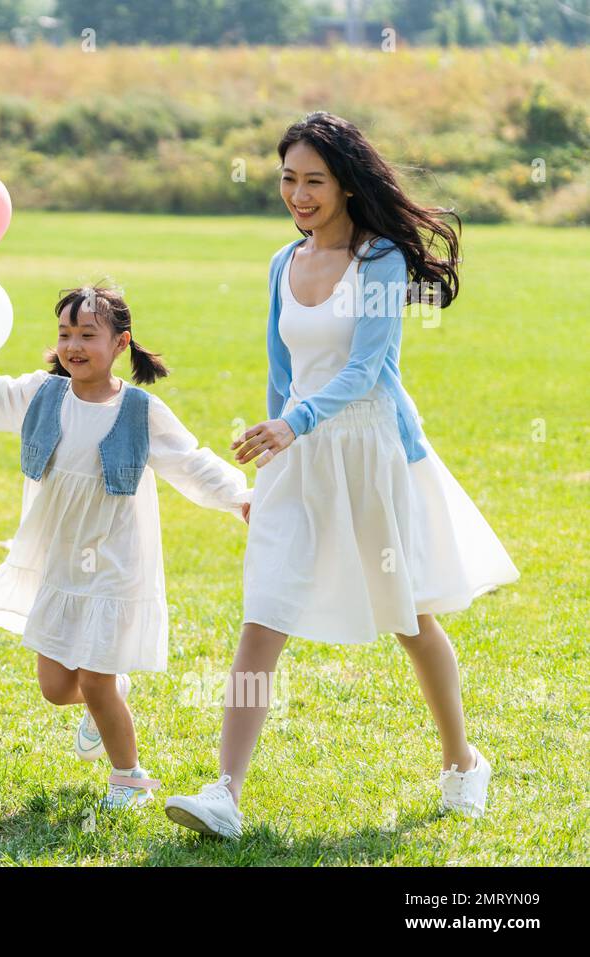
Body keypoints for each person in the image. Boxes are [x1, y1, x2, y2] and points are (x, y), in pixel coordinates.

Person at [165, 112, 520, 840]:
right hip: (297, 455)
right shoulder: (280, 264)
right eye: (288, 178)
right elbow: (281, 371)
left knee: (407, 615)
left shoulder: (382, 259)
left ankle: (462, 760)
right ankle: (224, 791)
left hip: (368, 450)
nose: (298, 193)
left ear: (347, 184)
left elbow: (365, 371)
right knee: (263, 612)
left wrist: (292, 422)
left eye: (314, 181)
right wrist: (271, 463)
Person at [0, 284, 251, 810]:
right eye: (65, 333)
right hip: (60, 561)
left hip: (117, 562)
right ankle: (108, 697)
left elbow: (191, 462)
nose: (74, 345)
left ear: (121, 343)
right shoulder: (41, 394)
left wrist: (240, 499)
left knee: (94, 679)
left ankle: (128, 778)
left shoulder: (140, 410)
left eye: (88, 335)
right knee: (55, 686)